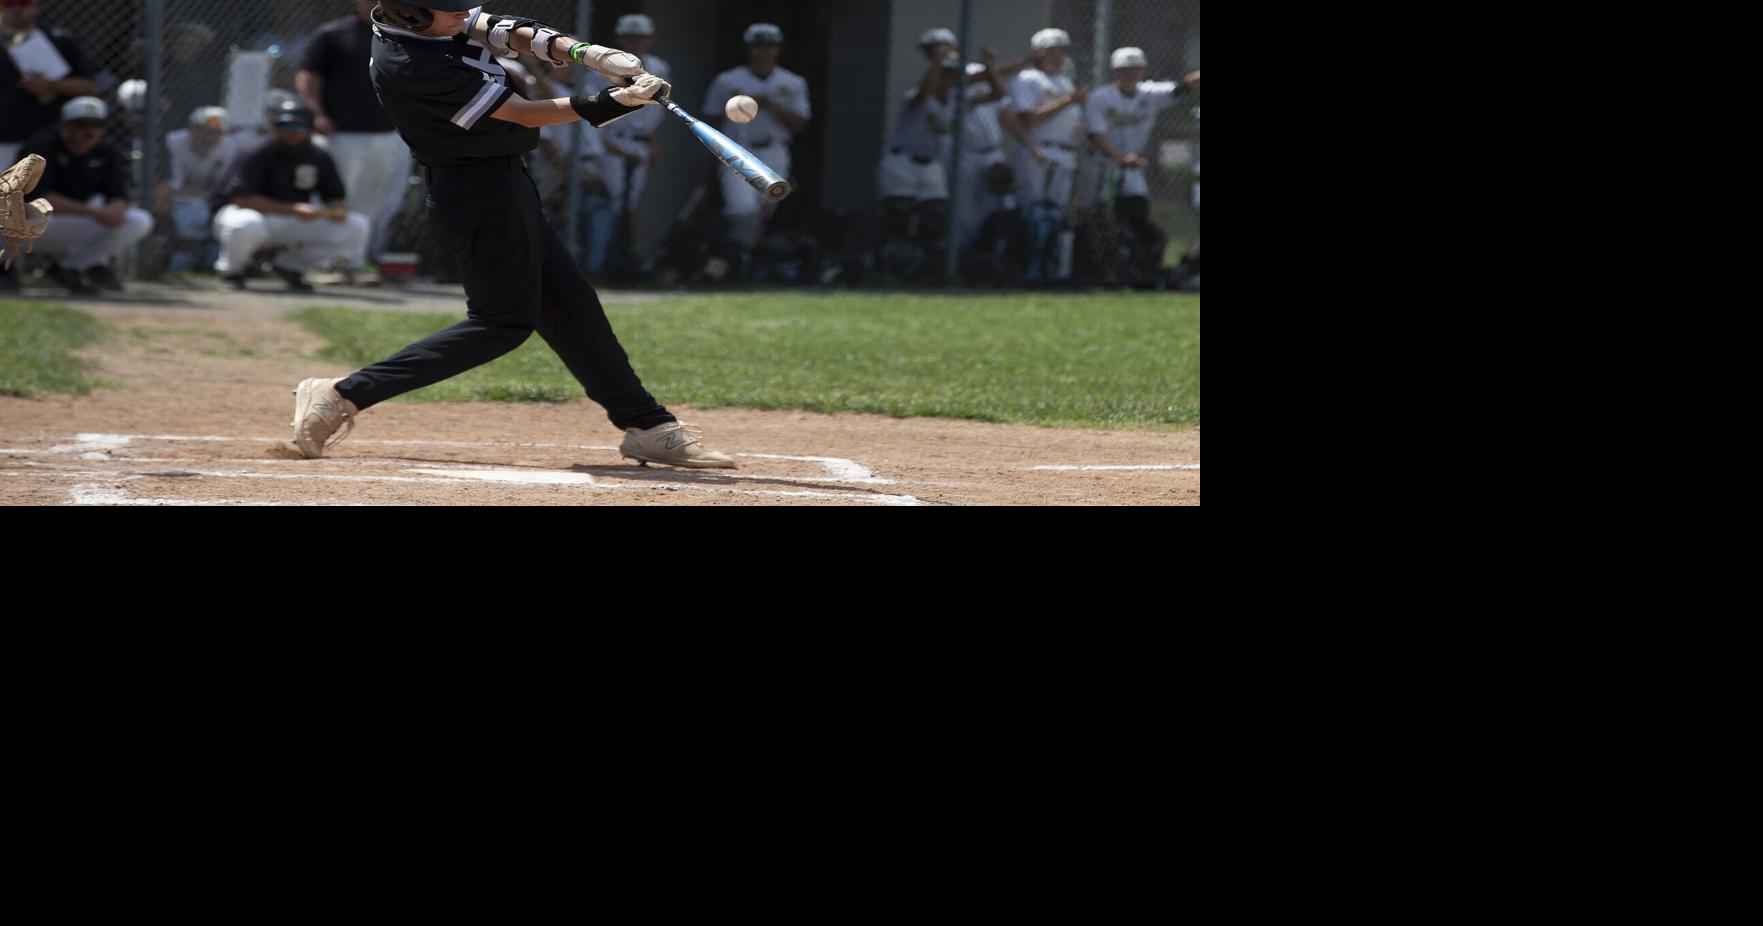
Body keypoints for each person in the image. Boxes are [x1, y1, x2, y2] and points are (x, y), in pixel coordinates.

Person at [287, 1, 735, 469]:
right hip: (474, 194)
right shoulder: (409, 65)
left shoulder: (431, 22)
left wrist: (589, 54)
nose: (463, 14)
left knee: (570, 304)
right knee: (501, 324)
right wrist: (612, 103)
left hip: (504, 181)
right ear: (410, 12)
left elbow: (505, 29)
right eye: (449, 9)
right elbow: (521, 113)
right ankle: (343, 394)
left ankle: (648, 425)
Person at [299, 0, 413, 262]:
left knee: (374, 200)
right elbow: (308, 76)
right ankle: (321, 258)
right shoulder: (333, 34)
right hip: (343, 134)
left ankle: (354, 260)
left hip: (387, 133)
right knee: (336, 197)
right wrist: (317, 114)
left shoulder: (398, 34)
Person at [212, 104, 368, 292]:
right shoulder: (256, 151)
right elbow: (241, 199)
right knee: (245, 223)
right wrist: (293, 209)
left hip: (291, 219)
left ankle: (289, 266)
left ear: (310, 130)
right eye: (285, 126)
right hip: (248, 216)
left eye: (299, 127)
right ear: (274, 128)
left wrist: (336, 210)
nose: (292, 132)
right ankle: (232, 272)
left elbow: (334, 196)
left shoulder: (318, 155)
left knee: (356, 225)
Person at [1083, 48, 1199, 284]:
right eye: (1124, 70)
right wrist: (1119, 157)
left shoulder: (1149, 93)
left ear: (1142, 72)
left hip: (1133, 166)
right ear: (1114, 72)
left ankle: (1136, 267)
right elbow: (1096, 134)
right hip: (1103, 165)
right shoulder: (1101, 98)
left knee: (1136, 213)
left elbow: (1185, 86)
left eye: (1135, 70)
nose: (1130, 75)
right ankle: (1104, 269)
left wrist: (1127, 161)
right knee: (1103, 217)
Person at [701, 23, 810, 276]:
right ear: (749, 49)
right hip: (737, 149)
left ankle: (743, 261)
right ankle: (735, 259)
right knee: (742, 209)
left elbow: (801, 123)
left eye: (769, 46)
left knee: (765, 211)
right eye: (758, 46)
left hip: (774, 150)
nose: (764, 52)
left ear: (778, 49)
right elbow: (711, 116)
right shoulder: (728, 80)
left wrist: (771, 105)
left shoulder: (792, 82)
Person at [17, 96, 153, 294]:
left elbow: (118, 195)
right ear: (65, 125)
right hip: (28, 225)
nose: (90, 132)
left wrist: (113, 212)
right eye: (82, 124)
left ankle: (70, 267)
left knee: (139, 220)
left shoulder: (106, 151)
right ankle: (4, 268)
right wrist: (97, 213)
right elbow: (41, 198)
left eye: (97, 125)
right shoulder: (41, 146)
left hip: (71, 222)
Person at [1002, 28, 1086, 281]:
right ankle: (1028, 269)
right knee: (1034, 212)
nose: (1058, 56)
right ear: (1037, 53)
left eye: (1062, 51)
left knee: (1056, 215)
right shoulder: (1028, 79)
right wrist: (1067, 101)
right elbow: (1027, 119)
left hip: (1065, 153)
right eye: (1051, 51)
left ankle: (1053, 269)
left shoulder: (1064, 82)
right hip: (1039, 151)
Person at [875, 49, 962, 279]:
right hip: (902, 161)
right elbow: (923, 93)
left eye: (953, 74)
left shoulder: (954, 103)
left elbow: (996, 95)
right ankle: (887, 270)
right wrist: (937, 62)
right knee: (898, 216)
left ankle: (924, 271)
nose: (948, 78)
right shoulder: (916, 96)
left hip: (931, 165)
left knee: (936, 217)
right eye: (945, 73)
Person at [0, 0, 97, 167]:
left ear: (35, 5)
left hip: (47, 139)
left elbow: (89, 85)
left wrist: (52, 85)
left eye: (23, 2)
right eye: (8, 3)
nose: (16, 8)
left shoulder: (58, 40)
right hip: (3, 139)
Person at [160, 106, 242, 272]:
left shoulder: (230, 146)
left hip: (211, 199)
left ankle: (208, 261)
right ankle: (183, 258)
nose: (209, 136)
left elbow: (226, 186)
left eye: (216, 132)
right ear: (190, 128)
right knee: (194, 212)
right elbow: (170, 185)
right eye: (203, 130)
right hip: (178, 199)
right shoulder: (173, 142)